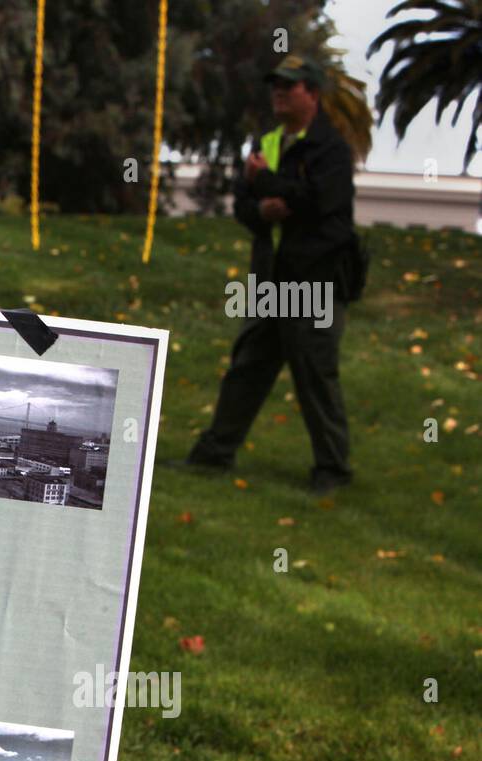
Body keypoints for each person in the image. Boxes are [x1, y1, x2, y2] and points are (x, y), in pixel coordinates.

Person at [186, 54, 357, 495]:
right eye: (275, 85)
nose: (279, 93)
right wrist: (262, 207)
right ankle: (214, 453)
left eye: (290, 86)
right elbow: (244, 205)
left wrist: (269, 187)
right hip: (269, 282)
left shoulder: (331, 149)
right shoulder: (267, 144)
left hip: (315, 284)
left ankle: (332, 470)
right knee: (247, 368)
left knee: (315, 374)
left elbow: (324, 206)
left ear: (313, 95)